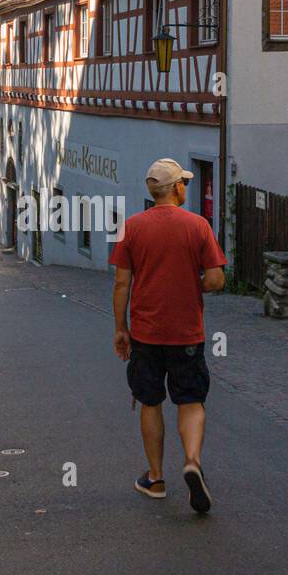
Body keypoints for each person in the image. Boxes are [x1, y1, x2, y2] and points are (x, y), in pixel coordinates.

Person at [110, 158, 227, 514]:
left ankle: (157, 478)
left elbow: (121, 282)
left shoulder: (131, 227)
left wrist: (120, 329)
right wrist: (193, 286)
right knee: (191, 400)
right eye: (184, 184)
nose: (186, 189)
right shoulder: (198, 226)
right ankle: (191, 461)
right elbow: (217, 280)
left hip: (146, 333)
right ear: (176, 188)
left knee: (150, 401)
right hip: (187, 332)